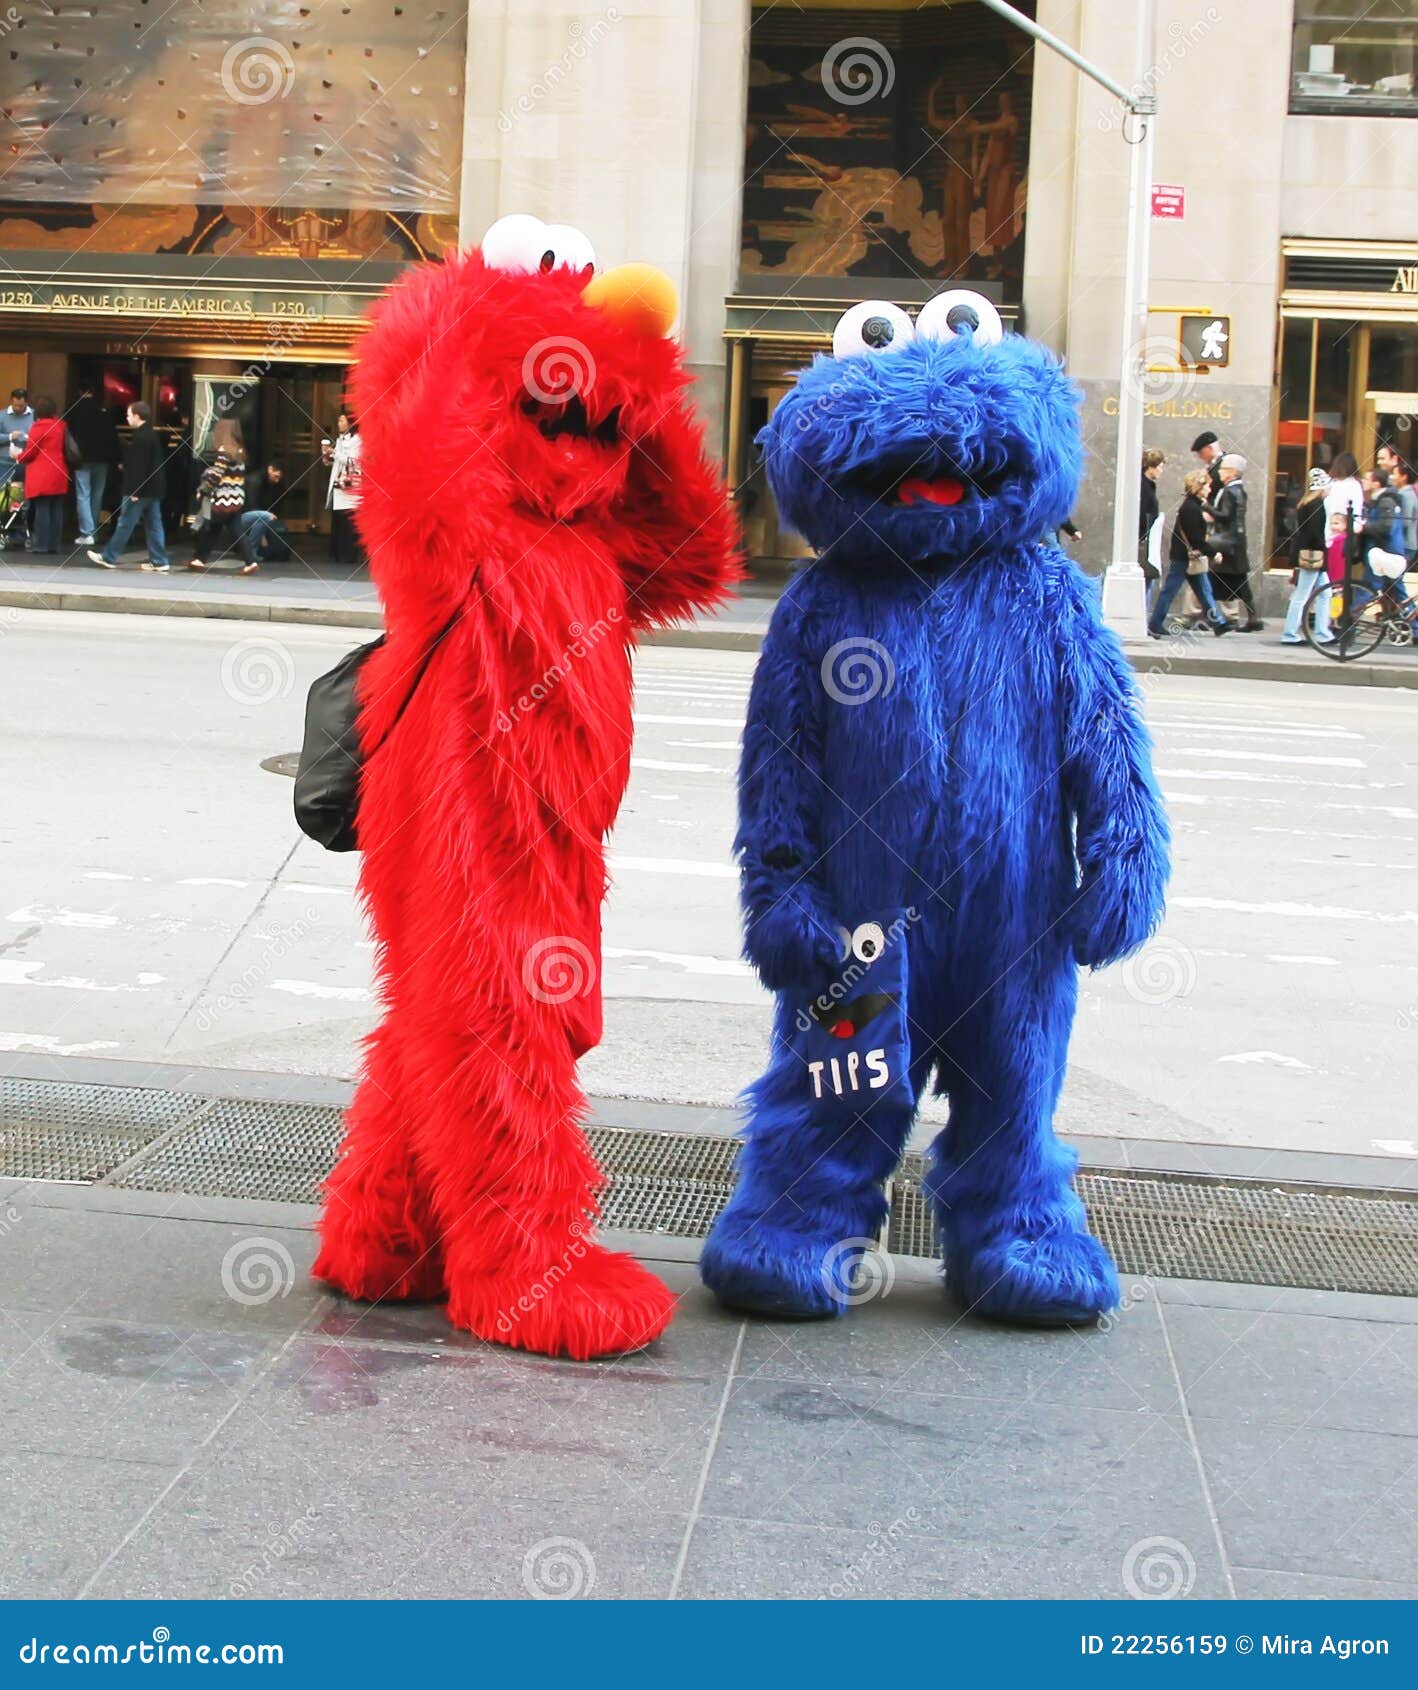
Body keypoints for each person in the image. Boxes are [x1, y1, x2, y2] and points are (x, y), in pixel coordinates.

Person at [87, 400, 169, 572]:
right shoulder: (151, 434)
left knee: (125, 523)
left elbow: (140, 466)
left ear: (137, 416)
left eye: (129, 415)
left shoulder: (140, 436)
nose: (127, 418)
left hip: (140, 490)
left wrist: (135, 490)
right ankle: (160, 560)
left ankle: (109, 556)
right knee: (154, 525)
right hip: (154, 489)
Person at [1148, 468, 1231, 638]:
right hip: (1184, 558)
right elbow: (1196, 539)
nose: (1209, 489)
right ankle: (1155, 623)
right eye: (1207, 485)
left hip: (1186, 557)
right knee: (1171, 591)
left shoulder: (1192, 506)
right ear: (1198, 487)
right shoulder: (1191, 508)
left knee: (1203, 589)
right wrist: (1213, 553)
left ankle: (1218, 623)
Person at [188, 418, 256, 573]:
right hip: (236, 498)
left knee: (210, 529)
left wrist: (203, 490)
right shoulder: (239, 451)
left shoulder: (225, 451)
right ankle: (250, 561)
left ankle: (199, 558)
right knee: (232, 530)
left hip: (222, 499)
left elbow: (216, 475)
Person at [1205, 452, 1262, 629]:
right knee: (1238, 582)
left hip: (1227, 543)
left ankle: (1209, 617)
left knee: (1211, 580)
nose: (1220, 473)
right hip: (1234, 542)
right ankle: (1252, 618)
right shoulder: (1237, 490)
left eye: (1223, 470)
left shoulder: (1231, 491)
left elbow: (1225, 516)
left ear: (1232, 472)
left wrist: (1207, 507)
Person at [15, 397, 72, 555]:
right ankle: (54, 545)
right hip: (59, 470)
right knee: (56, 508)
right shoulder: (61, 426)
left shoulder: (38, 427)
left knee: (42, 508)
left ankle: (41, 545)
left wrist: (18, 456)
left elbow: (30, 452)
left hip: (42, 472)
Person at [64, 380, 118, 546]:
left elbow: (65, 430)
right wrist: (116, 459)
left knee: (83, 494)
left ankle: (87, 533)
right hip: (102, 459)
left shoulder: (74, 409)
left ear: (80, 391)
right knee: (97, 495)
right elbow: (113, 437)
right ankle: (93, 530)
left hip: (82, 458)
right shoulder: (104, 410)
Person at [1283, 466, 1332, 644]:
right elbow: (1315, 533)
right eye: (1328, 486)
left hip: (1308, 554)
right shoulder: (1317, 505)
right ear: (1322, 487)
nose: (1330, 489)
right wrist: (1324, 550)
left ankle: (1322, 633)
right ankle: (1290, 634)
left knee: (1325, 593)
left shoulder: (1305, 503)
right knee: (1302, 595)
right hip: (1313, 556)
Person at [323, 410, 364, 565]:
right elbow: (339, 460)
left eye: (342, 421)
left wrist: (335, 453)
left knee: (348, 522)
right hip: (339, 484)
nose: (339, 423)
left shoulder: (358, 440)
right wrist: (328, 458)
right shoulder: (340, 439)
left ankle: (348, 555)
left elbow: (354, 461)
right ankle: (337, 554)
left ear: (350, 423)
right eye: (339, 421)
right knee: (338, 520)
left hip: (350, 485)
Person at [1323, 449, 1365, 583]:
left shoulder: (1330, 485)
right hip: (1343, 536)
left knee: (1327, 577)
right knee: (1339, 578)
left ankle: (1328, 603)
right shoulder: (1354, 486)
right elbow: (1357, 513)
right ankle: (1338, 603)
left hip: (1327, 534)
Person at [239, 461, 292, 563]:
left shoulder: (267, 482)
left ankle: (251, 552)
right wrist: (262, 536)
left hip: (249, 516)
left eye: (279, 478)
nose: (277, 480)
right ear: (270, 469)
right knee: (267, 517)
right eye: (276, 476)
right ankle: (250, 552)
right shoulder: (255, 481)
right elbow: (251, 506)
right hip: (242, 516)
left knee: (267, 517)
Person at [0, 387, 35, 540]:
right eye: (15, 405)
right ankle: (3, 528)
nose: (18, 408)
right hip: (5, 461)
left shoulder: (33, 415)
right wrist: (9, 436)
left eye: (21, 405)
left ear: (26, 402)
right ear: (11, 402)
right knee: (3, 497)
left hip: (26, 462)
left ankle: (19, 533)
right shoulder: (2, 415)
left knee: (23, 498)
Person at [1139, 447, 1164, 603]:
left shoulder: (1147, 485)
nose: (1162, 470)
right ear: (1151, 466)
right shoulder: (1144, 486)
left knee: (1148, 578)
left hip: (1146, 537)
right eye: (1161, 466)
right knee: (1146, 578)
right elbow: (1142, 512)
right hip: (1144, 538)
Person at [1389, 457, 1418, 568]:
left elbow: (1406, 521)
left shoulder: (1407, 495)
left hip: (1406, 544)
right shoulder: (1403, 493)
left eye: (1395, 474)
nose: (1392, 477)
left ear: (1403, 477)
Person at [1191, 429, 1226, 500]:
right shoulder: (1212, 465)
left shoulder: (1225, 465)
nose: (1199, 456)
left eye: (1200, 452)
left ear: (1210, 448)